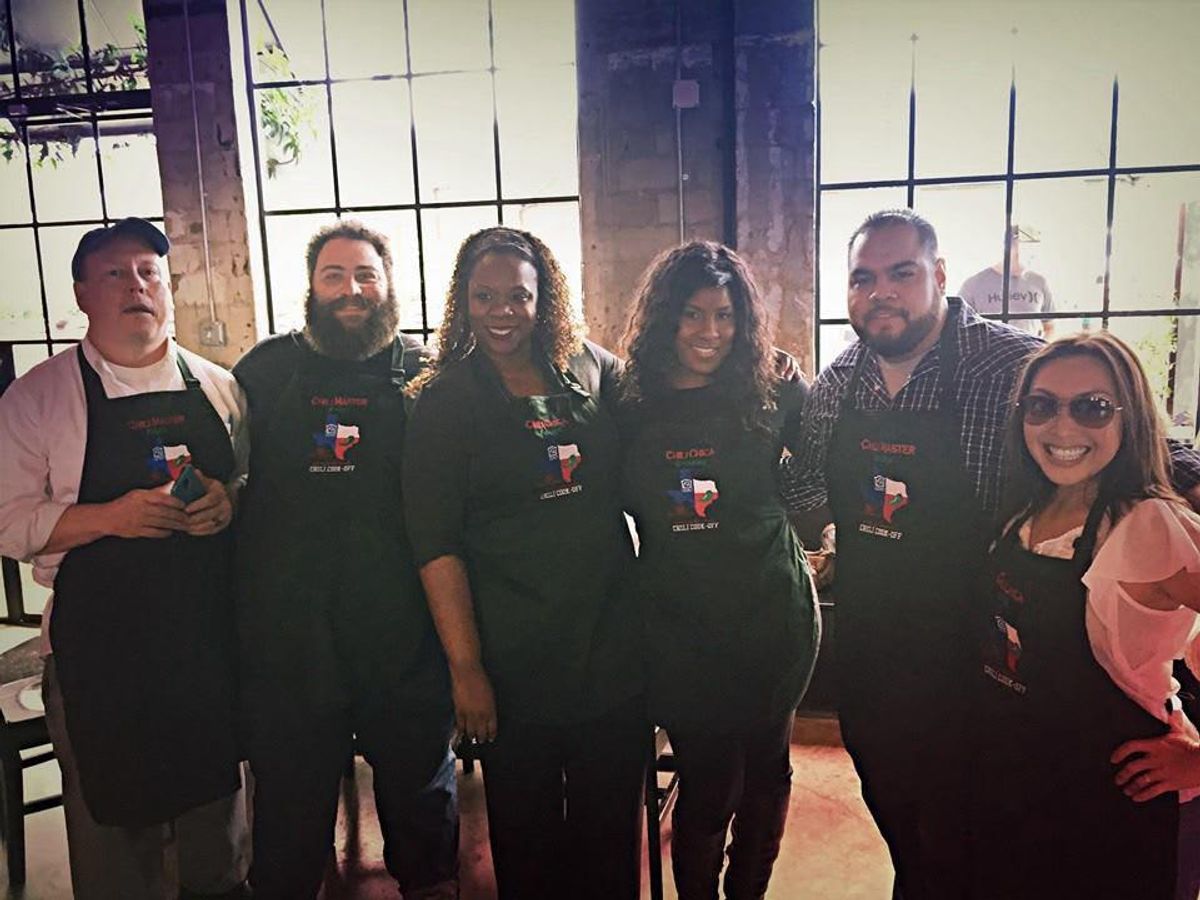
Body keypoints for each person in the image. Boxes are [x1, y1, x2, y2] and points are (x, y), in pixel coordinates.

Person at [780, 208, 1200, 899]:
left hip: (978, 667)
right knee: (905, 828)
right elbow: (801, 490)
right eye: (863, 278)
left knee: (972, 848)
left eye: (901, 273)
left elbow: (1146, 446)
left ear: (940, 277)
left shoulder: (1012, 364)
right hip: (875, 658)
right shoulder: (839, 380)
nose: (880, 291)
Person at [0, 218, 249, 900]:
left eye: (148, 273)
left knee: (217, 836)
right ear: (82, 293)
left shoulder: (219, 387)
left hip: (205, 646)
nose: (135, 287)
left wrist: (227, 503)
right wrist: (112, 518)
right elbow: (7, 524)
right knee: (115, 845)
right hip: (98, 658)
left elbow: (248, 487)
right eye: (115, 274)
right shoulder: (36, 399)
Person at [403, 225, 647, 900]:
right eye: (485, 296)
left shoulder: (593, 370)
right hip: (512, 658)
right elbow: (436, 543)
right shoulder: (443, 401)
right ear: (463, 301)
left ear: (546, 299)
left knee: (610, 841)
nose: (502, 311)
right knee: (528, 841)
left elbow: (667, 408)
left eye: (519, 295)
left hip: (609, 646)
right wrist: (467, 668)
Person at [232, 220, 457, 899]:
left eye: (365, 276)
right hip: (293, 636)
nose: (351, 290)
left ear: (389, 286)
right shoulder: (264, 372)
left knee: (421, 795)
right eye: (334, 276)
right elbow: (228, 481)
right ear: (310, 288)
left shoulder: (427, 376)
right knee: (291, 806)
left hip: (406, 629)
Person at [618, 241, 820, 900]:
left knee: (768, 774)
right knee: (709, 781)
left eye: (726, 316)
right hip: (678, 629)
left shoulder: (775, 389)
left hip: (772, 615)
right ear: (665, 319)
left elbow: (819, 475)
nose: (710, 333)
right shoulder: (627, 404)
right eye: (693, 316)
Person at [972, 332, 1200, 899]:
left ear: (1131, 419)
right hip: (1028, 783)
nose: (1062, 427)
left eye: (1092, 407)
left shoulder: (1145, 525)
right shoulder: (1026, 512)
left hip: (1120, 800)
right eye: (1042, 405)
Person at [957, 224, 1055, 338]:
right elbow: (959, 330)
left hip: (1031, 354)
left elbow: (1049, 327)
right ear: (1008, 245)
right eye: (1025, 244)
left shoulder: (1039, 282)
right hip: (992, 354)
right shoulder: (973, 285)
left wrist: (1041, 352)